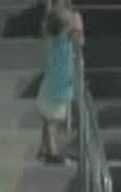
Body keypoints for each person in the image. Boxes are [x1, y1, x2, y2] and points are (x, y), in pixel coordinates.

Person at [36, 2, 82, 164]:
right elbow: (78, 36)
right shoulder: (63, 43)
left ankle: (43, 148)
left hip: (48, 90)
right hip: (55, 92)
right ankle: (52, 152)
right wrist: (77, 22)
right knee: (52, 124)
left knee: (47, 121)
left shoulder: (55, 42)